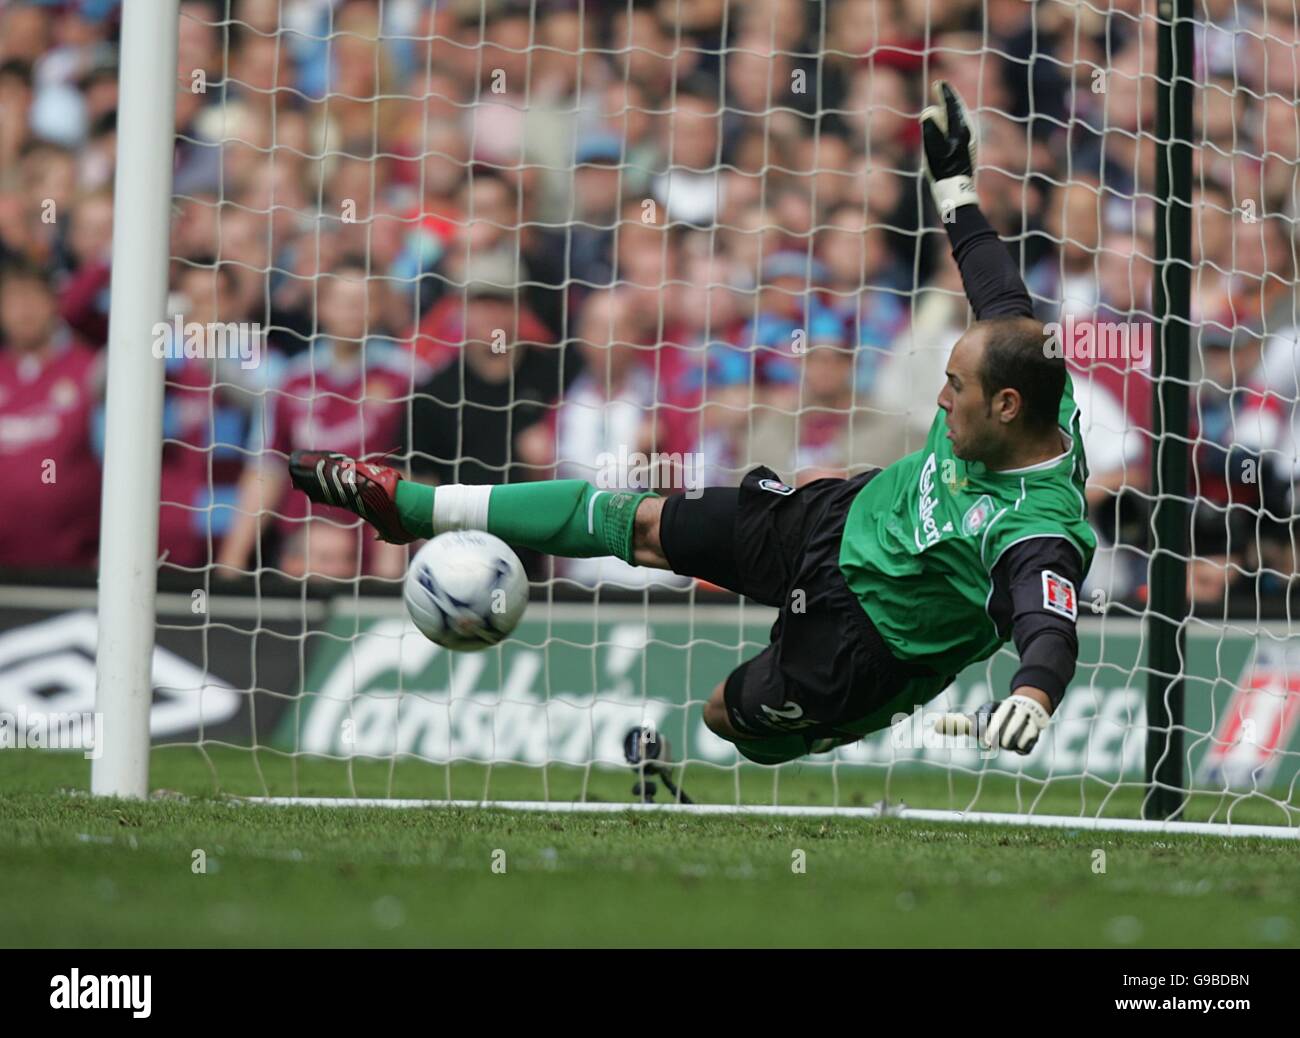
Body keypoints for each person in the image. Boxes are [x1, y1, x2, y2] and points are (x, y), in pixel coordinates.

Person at [286, 84, 1097, 764]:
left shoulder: (1037, 529)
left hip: (872, 646)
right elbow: (992, 278)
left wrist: (1032, 694)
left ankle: (860, 717)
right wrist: (952, 180)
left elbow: (1047, 624)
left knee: (727, 720)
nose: (941, 399)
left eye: (955, 389)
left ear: (1007, 406)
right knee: (633, 522)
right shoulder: (1019, 364)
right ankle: (415, 507)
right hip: (835, 519)